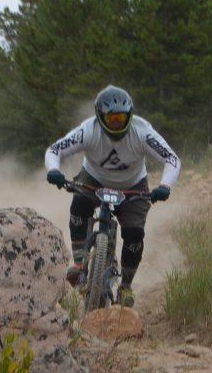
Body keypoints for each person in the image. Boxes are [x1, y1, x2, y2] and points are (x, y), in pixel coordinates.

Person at [44, 85, 180, 307]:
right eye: (111, 117)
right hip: (94, 178)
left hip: (133, 185)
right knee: (79, 204)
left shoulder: (143, 132)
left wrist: (165, 185)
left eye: (121, 117)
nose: (116, 122)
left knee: (134, 234)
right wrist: (54, 171)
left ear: (130, 115)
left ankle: (125, 287)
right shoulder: (88, 130)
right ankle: (79, 265)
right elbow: (54, 150)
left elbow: (172, 159)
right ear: (100, 117)